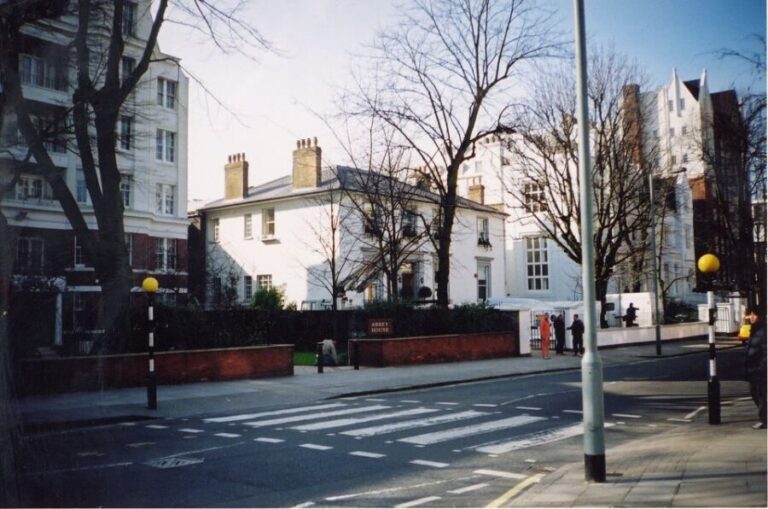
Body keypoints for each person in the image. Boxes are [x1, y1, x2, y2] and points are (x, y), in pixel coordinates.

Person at [744, 306, 766, 429]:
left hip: (761, 370)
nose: (751, 317)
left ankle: (764, 420)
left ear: (760, 316)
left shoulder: (763, 331)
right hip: (753, 369)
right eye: (750, 314)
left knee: (761, 394)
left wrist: (763, 366)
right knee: (754, 392)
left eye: (754, 315)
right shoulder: (754, 330)